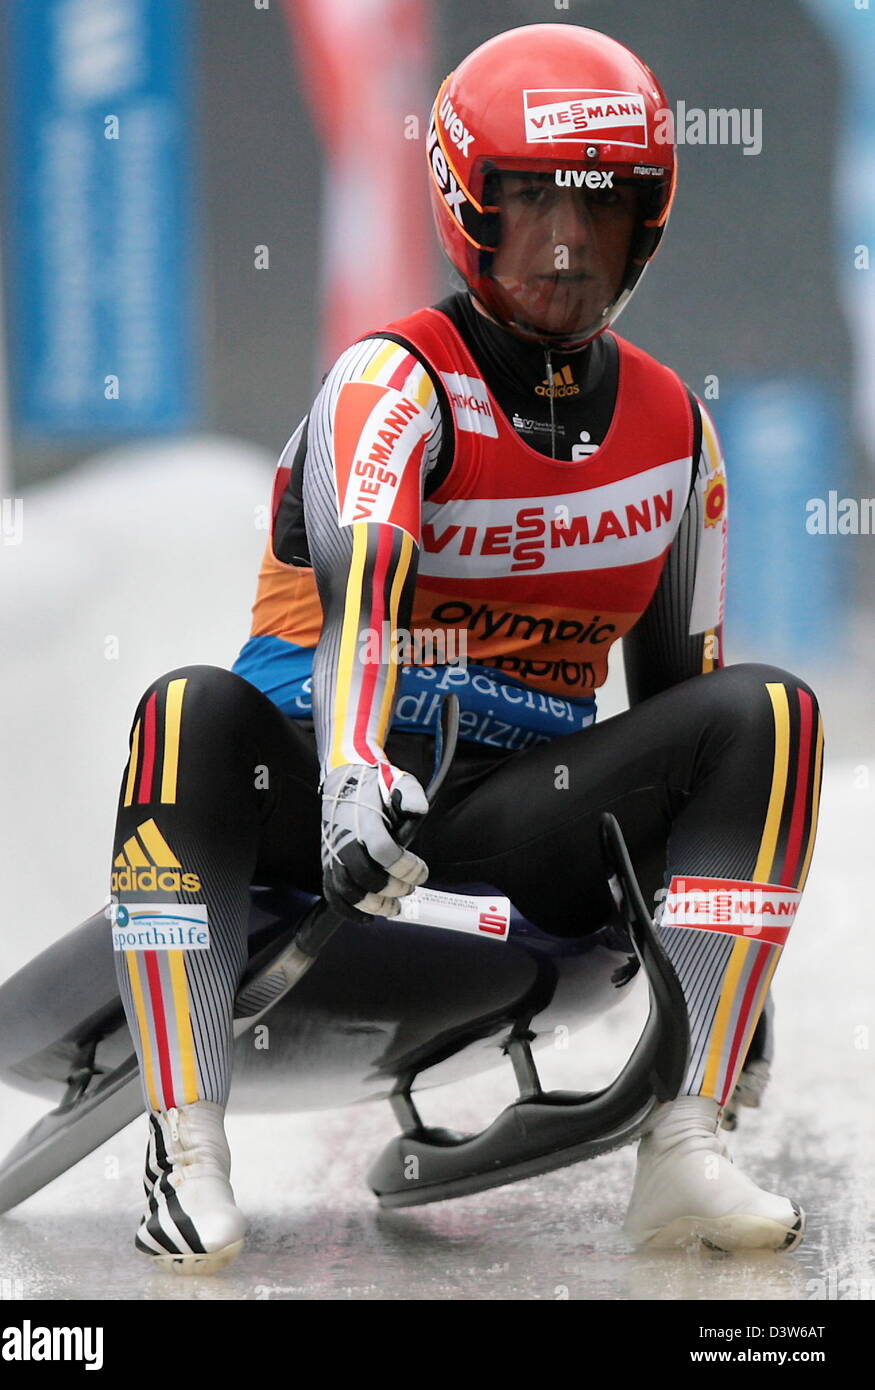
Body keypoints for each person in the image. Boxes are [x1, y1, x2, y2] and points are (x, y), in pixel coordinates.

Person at [111, 24, 823, 1273]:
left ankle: (686, 1139)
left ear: (644, 226)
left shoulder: (671, 432)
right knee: (185, 710)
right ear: (464, 210)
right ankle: (186, 1145)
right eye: (531, 203)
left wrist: (728, 987)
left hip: (515, 820)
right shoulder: (392, 387)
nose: (562, 245)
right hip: (310, 791)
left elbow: (684, 708)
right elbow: (364, 602)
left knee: (770, 715)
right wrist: (348, 777)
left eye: (597, 211)